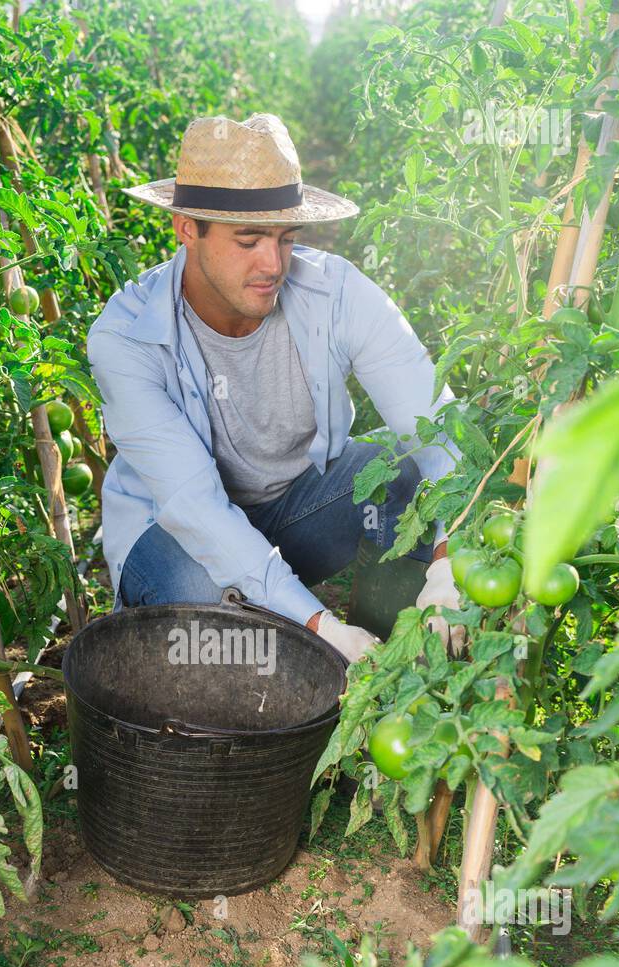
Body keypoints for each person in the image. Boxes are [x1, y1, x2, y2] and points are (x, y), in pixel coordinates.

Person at [86, 111, 464, 663]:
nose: (273, 264)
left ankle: (393, 668)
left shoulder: (336, 294)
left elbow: (436, 423)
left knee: (399, 475)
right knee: (211, 614)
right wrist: (318, 624)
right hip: (171, 533)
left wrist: (448, 558)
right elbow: (197, 508)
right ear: (187, 228)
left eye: (286, 239)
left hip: (294, 509)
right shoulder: (127, 338)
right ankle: (292, 657)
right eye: (248, 240)